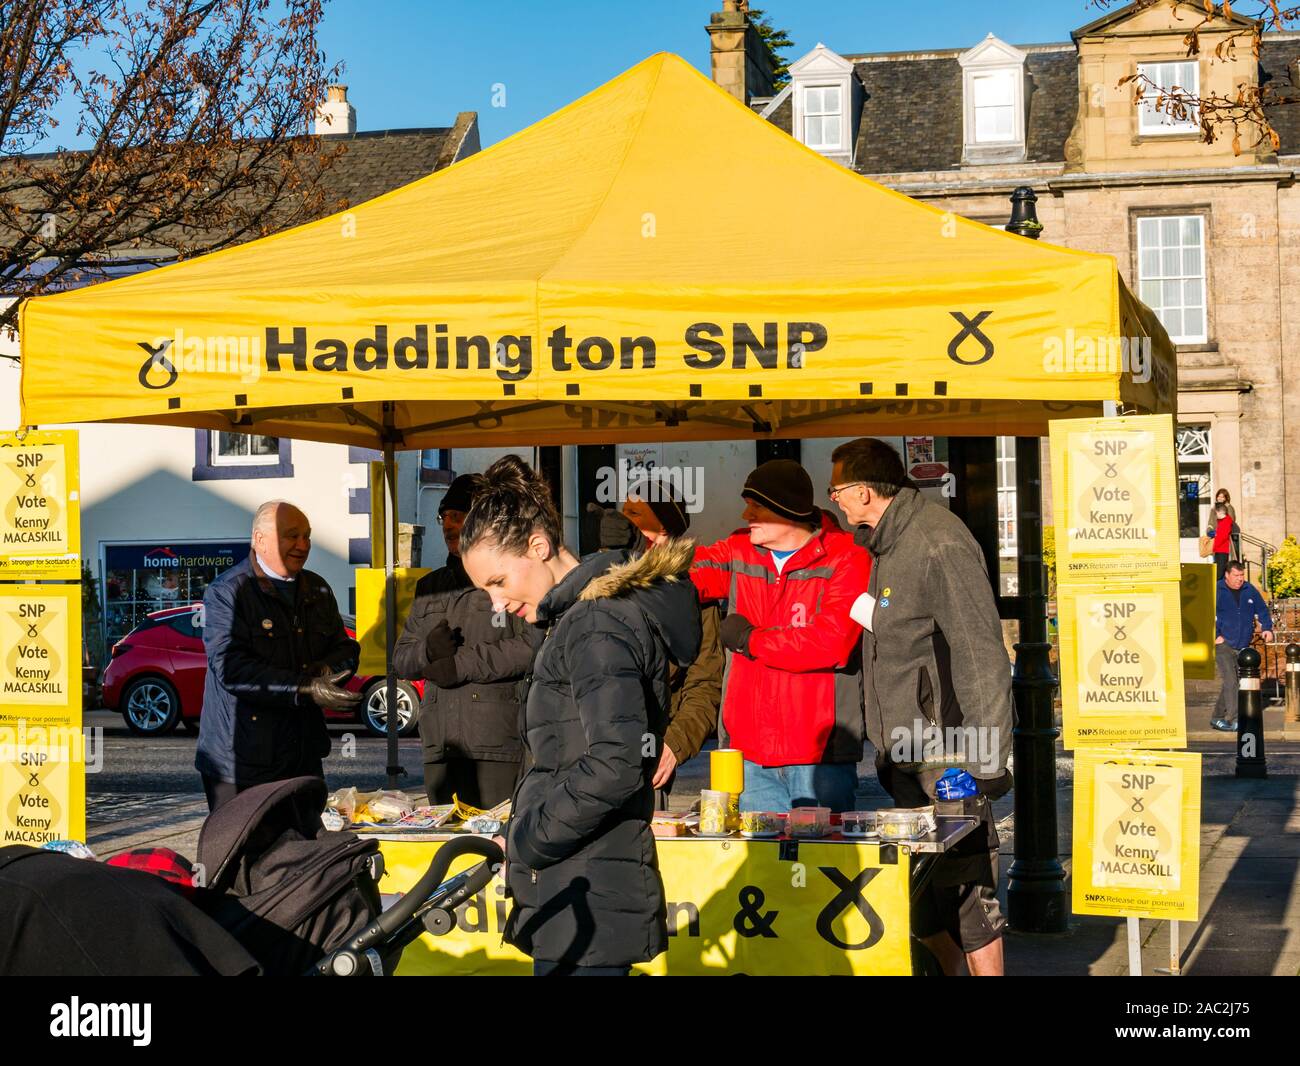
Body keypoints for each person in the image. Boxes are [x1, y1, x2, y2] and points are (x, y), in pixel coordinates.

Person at [460, 455, 701, 976]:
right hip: (579, 885)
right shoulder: (577, 619)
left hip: (588, 890)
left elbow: (615, 764)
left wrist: (527, 837)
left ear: (539, 547)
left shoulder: (594, 623)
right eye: (486, 591)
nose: (496, 602)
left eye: (499, 581)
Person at [829, 438, 1012, 977]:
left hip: (951, 759)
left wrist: (988, 760)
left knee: (969, 894)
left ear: (864, 492)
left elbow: (982, 653)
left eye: (838, 490)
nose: (835, 500)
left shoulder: (936, 542)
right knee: (927, 898)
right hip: (906, 756)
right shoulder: (888, 544)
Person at [689, 459, 871, 814]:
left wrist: (750, 640)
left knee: (820, 866)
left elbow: (830, 644)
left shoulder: (847, 558)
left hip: (819, 758)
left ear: (785, 511)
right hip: (749, 754)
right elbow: (687, 575)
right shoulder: (739, 549)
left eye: (755, 506)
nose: (745, 515)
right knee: (761, 867)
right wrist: (637, 558)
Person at [195, 501, 360, 813]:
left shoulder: (317, 588)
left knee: (306, 850)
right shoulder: (228, 592)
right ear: (259, 540)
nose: (302, 545)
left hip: (301, 753)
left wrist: (326, 672)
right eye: (291, 535)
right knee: (245, 855)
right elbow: (232, 669)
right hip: (240, 760)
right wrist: (305, 688)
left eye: (307, 536)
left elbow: (347, 649)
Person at [394, 474, 536, 807]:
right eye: (444, 518)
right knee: (446, 849)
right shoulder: (430, 586)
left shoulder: (509, 577)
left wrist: (461, 664)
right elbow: (400, 659)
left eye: (458, 517)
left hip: (495, 745)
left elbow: (532, 647)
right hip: (440, 747)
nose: (448, 526)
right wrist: (427, 651)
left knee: (495, 848)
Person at [589, 483, 723, 808]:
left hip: (648, 749)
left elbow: (705, 682)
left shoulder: (691, 589)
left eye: (634, 513)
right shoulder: (600, 576)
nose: (623, 519)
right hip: (590, 745)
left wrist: (675, 745)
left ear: (661, 527)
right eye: (623, 512)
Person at [1212, 560, 1274, 732]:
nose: (1240, 579)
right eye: (1236, 575)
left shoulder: (1249, 589)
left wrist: (1267, 628)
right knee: (1232, 682)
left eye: (1242, 575)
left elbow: (1262, 609)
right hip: (1223, 644)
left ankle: (1217, 717)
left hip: (1242, 643)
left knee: (1233, 683)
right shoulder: (1216, 589)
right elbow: (1206, 613)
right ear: (1227, 575)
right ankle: (1233, 720)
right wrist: (1216, 635)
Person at [1207, 503, 1237, 582]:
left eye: (1216, 513)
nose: (1215, 515)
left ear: (1220, 512)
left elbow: (1222, 537)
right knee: (1218, 573)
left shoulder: (1226, 521)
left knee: (1219, 574)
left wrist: (1212, 547)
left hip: (1222, 550)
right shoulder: (1222, 521)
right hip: (1219, 550)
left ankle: (1219, 591)